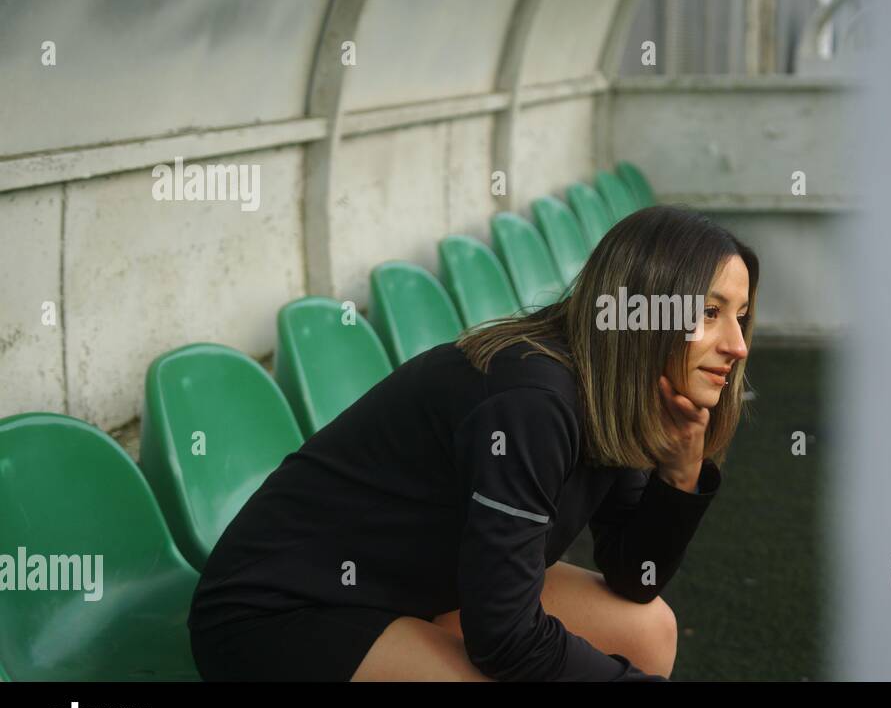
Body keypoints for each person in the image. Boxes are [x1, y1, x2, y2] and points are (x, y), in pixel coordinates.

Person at [188, 205, 759, 681]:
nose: (737, 345)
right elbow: (505, 641)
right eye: (710, 313)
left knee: (648, 628)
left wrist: (680, 474)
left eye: (741, 316)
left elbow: (634, 578)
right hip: (285, 614)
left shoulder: (617, 388)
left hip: (426, 590)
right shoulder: (534, 400)